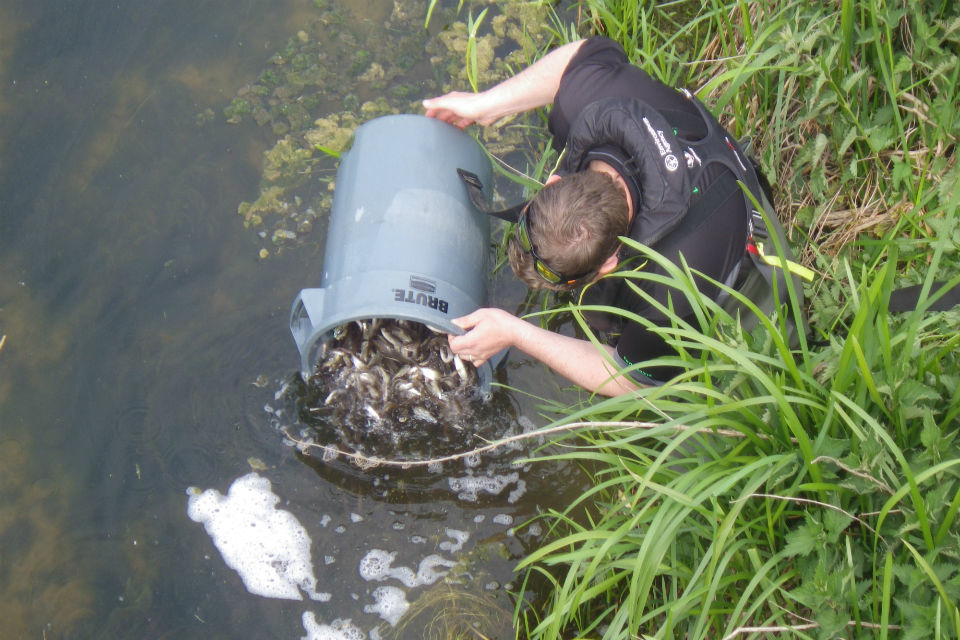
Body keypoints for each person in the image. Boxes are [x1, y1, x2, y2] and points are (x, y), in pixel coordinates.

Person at [423, 36, 793, 397]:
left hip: (740, 252)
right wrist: (486, 104)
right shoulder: (592, 101)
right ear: (554, 183)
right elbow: (575, 57)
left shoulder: (669, 290)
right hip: (697, 175)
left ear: (609, 264)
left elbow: (630, 381)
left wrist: (516, 332)